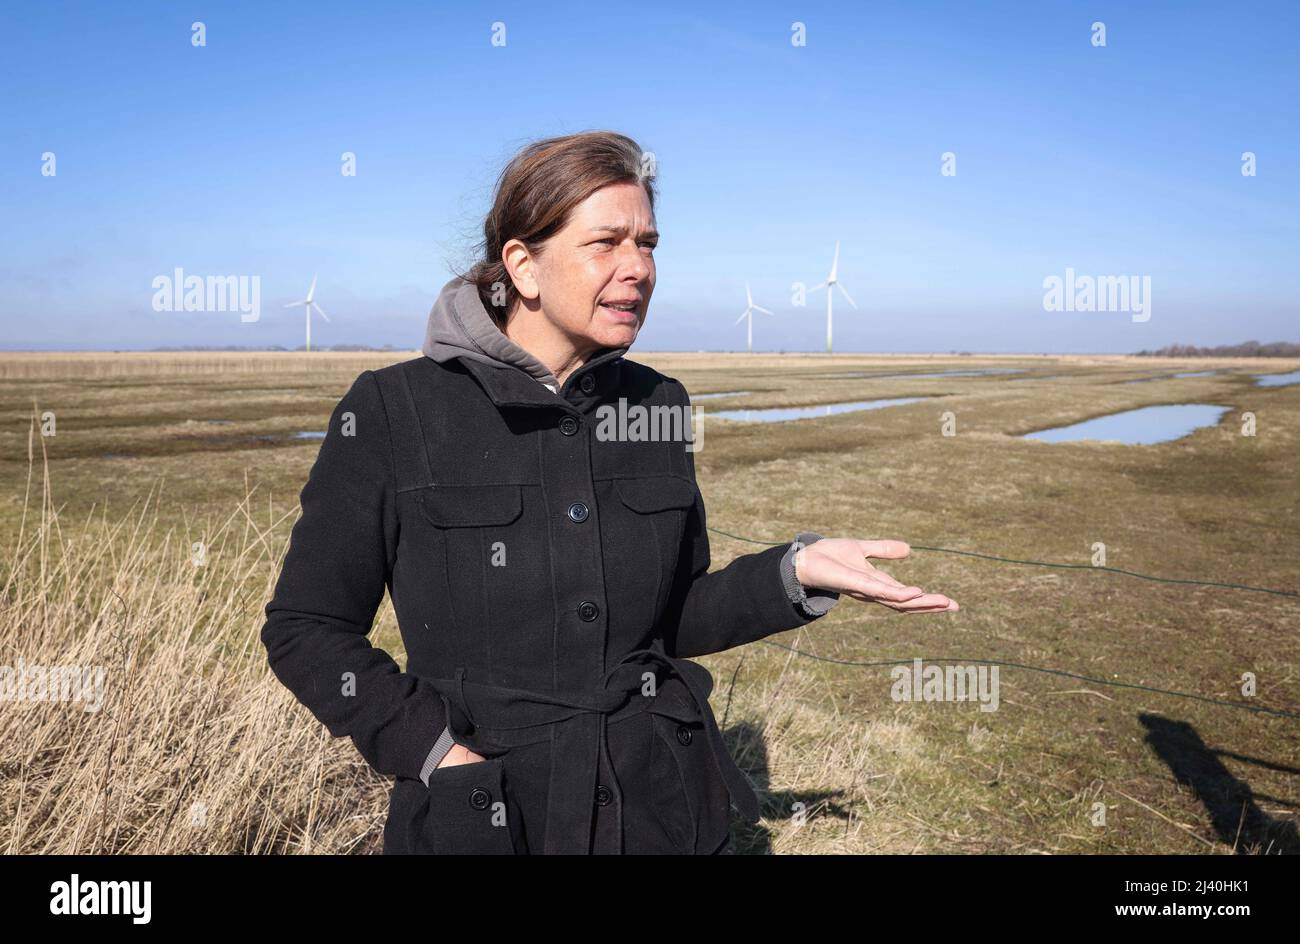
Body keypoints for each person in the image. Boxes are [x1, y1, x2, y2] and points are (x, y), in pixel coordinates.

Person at [259, 130, 958, 855]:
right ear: (523, 266)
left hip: (663, 810)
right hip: (492, 822)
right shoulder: (392, 410)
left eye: (649, 243)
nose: (639, 269)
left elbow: (672, 619)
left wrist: (795, 571)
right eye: (607, 243)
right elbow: (305, 628)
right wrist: (437, 754)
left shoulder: (659, 404)